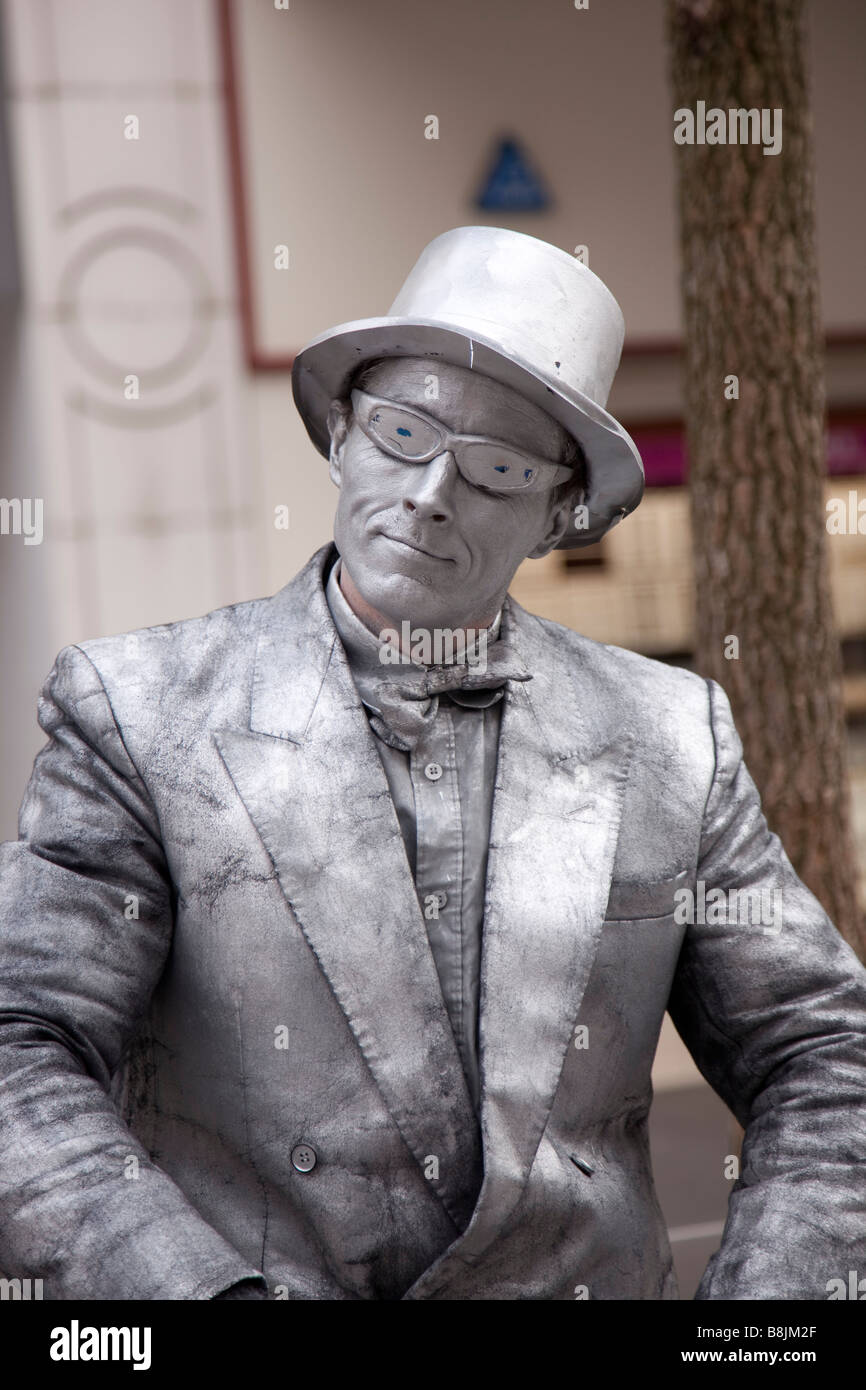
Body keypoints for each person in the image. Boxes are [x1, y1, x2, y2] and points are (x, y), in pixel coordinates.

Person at [0, 226, 864, 1300]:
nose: (426, 492)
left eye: (497, 467)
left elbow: (825, 1054)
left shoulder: (666, 737)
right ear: (339, 438)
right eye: (400, 431)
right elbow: (20, 1040)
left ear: (559, 515)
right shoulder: (139, 711)